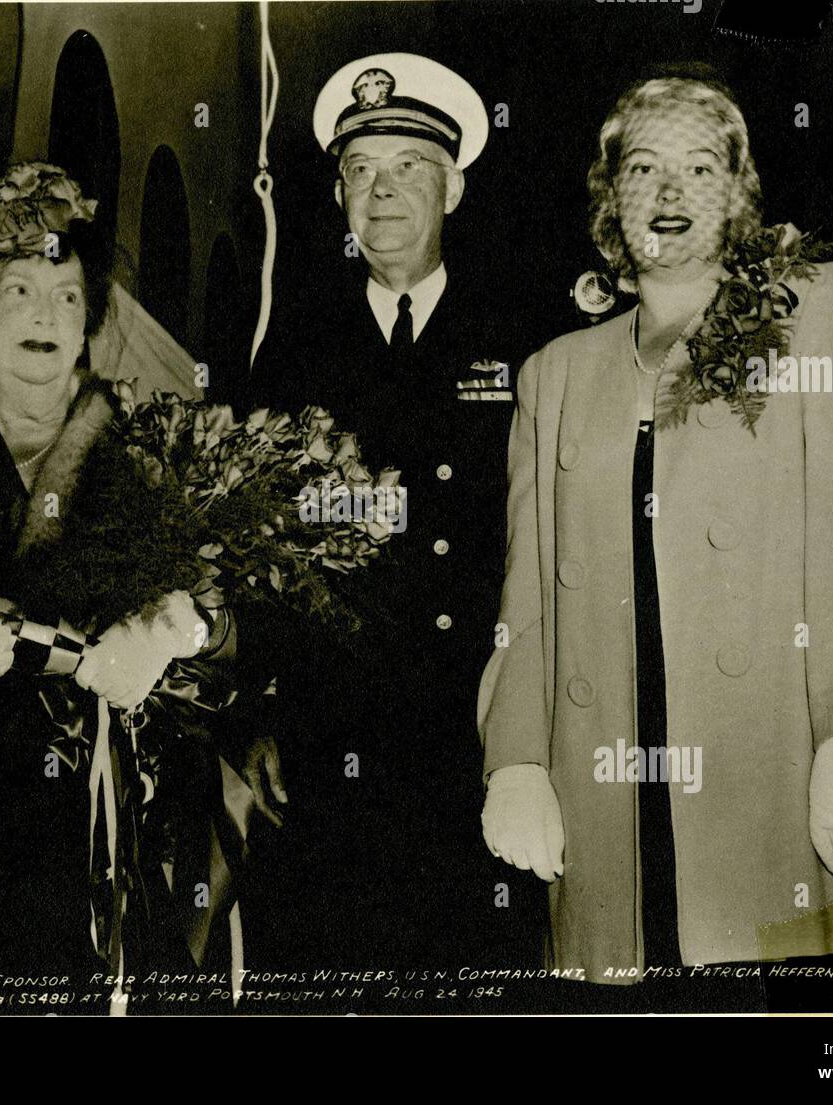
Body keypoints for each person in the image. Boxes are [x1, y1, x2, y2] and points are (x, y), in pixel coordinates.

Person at [478, 74, 833, 984]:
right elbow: (525, 593)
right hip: (605, 802)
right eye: (643, 168)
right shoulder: (552, 373)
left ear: (737, 194)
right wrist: (514, 760)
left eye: (699, 167)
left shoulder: (813, 310)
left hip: (778, 779)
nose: (670, 194)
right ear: (611, 200)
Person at [0, 162, 274, 1000]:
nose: (46, 314)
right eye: (19, 291)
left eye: (68, 296)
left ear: (89, 326)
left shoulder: (158, 456)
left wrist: (174, 626)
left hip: (125, 880)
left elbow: (237, 639)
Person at [250, 54, 544, 969]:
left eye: (407, 170)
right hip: (328, 733)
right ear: (339, 195)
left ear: (452, 189)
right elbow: (257, 542)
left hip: (474, 729)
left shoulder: (524, 340)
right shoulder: (292, 350)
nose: (381, 194)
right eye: (360, 172)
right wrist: (257, 711)